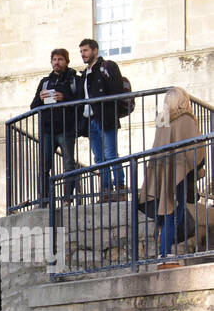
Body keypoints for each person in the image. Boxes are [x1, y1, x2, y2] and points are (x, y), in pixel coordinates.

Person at [142, 87, 206, 257]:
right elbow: (197, 149)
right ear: (183, 100)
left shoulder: (162, 121)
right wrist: (199, 167)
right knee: (174, 212)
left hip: (162, 171)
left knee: (166, 211)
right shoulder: (186, 120)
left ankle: (163, 250)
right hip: (179, 171)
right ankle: (165, 253)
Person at [30, 48, 82, 204]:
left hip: (66, 129)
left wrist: (64, 98)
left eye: (60, 59)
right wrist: (40, 98)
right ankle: (44, 199)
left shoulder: (74, 80)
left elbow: (80, 103)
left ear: (66, 61)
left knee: (69, 165)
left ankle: (67, 198)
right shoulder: (45, 82)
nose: (56, 63)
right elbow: (33, 106)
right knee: (44, 167)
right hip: (47, 129)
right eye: (54, 60)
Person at [79, 38, 127, 199]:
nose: (83, 54)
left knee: (110, 153)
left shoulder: (108, 66)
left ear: (95, 50)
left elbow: (117, 90)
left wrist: (109, 110)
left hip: (105, 117)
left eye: (85, 50)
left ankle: (119, 186)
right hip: (90, 119)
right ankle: (106, 190)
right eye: (81, 51)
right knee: (99, 157)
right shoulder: (85, 73)